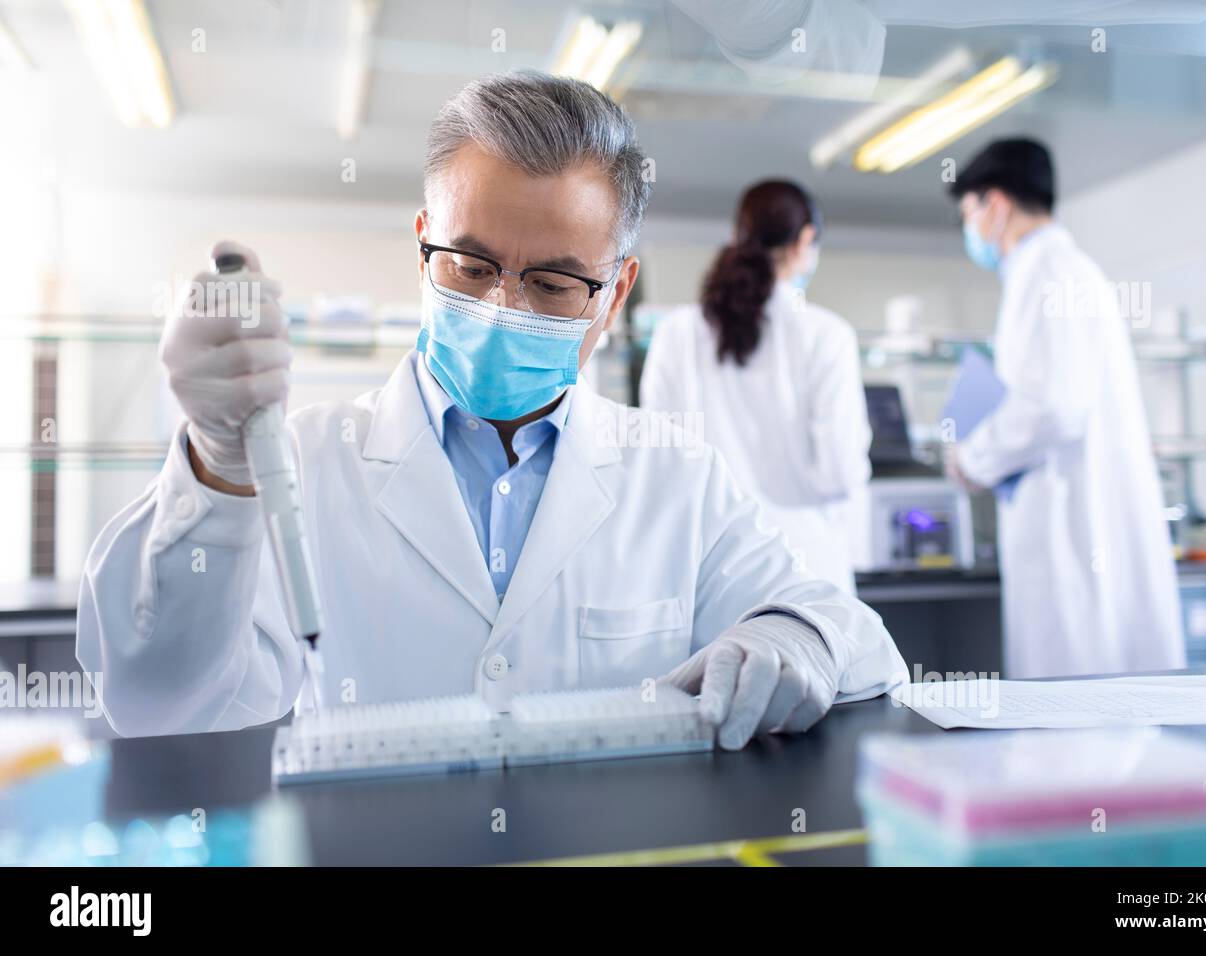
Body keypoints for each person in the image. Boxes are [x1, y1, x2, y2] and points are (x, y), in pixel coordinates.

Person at [76, 72, 905, 747]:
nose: (503, 306)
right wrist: (219, 467)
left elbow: (855, 638)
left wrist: (796, 637)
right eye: (470, 266)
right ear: (422, 241)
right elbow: (158, 709)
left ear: (614, 293)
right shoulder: (307, 462)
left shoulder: (674, 471)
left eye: (550, 282)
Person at [946, 138, 1183, 678]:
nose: (970, 230)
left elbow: (1053, 405)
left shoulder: (1043, 273)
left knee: (1073, 709)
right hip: (1086, 517)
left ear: (997, 205)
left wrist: (972, 458)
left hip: (1068, 528)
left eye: (968, 213)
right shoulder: (1070, 269)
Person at [640, 181, 870, 595]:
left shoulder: (676, 333)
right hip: (807, 571)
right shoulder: (827, 335)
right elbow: (840, 472)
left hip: (707, 573)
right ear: (806, 241)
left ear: (737, 237)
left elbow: (659, 461)